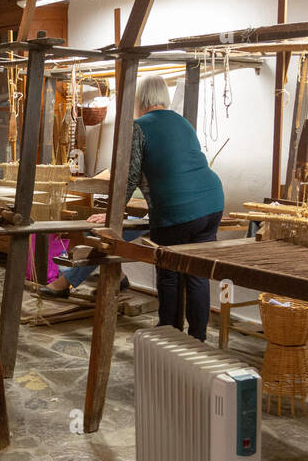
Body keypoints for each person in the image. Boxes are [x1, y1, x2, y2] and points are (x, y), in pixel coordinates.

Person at [41, 74, 224, 341]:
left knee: (170, 274)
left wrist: (113, 212)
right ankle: (197, 339)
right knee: (197, 274)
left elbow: (129, 176)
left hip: (178, 211)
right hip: (212, 204)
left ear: (140, 99)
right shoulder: (183, 123)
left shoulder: (138, 126)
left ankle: (169, 335)